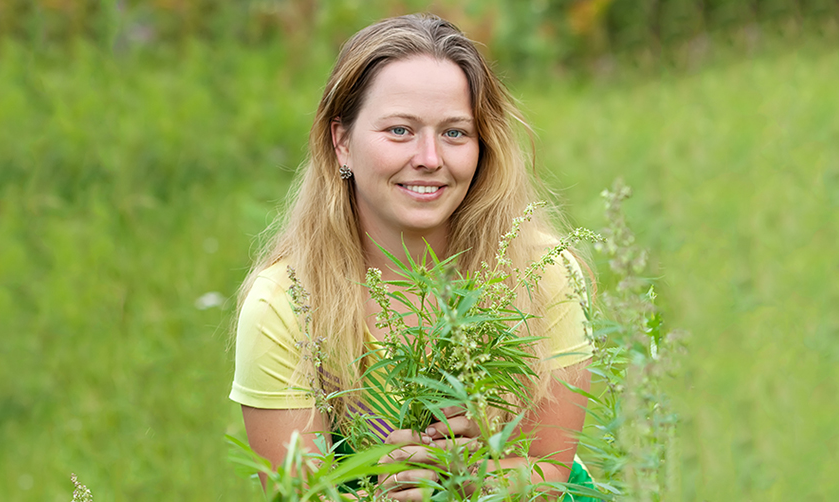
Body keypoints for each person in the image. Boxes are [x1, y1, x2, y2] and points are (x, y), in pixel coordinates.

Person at [230, 13, 594, 501]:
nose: (429, 157)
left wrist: (466, 481)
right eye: (400, 130)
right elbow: (301, 494)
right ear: (342, 142)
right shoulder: (286, 302)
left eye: (455, 133)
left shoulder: (542, 274)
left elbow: (550, 474)